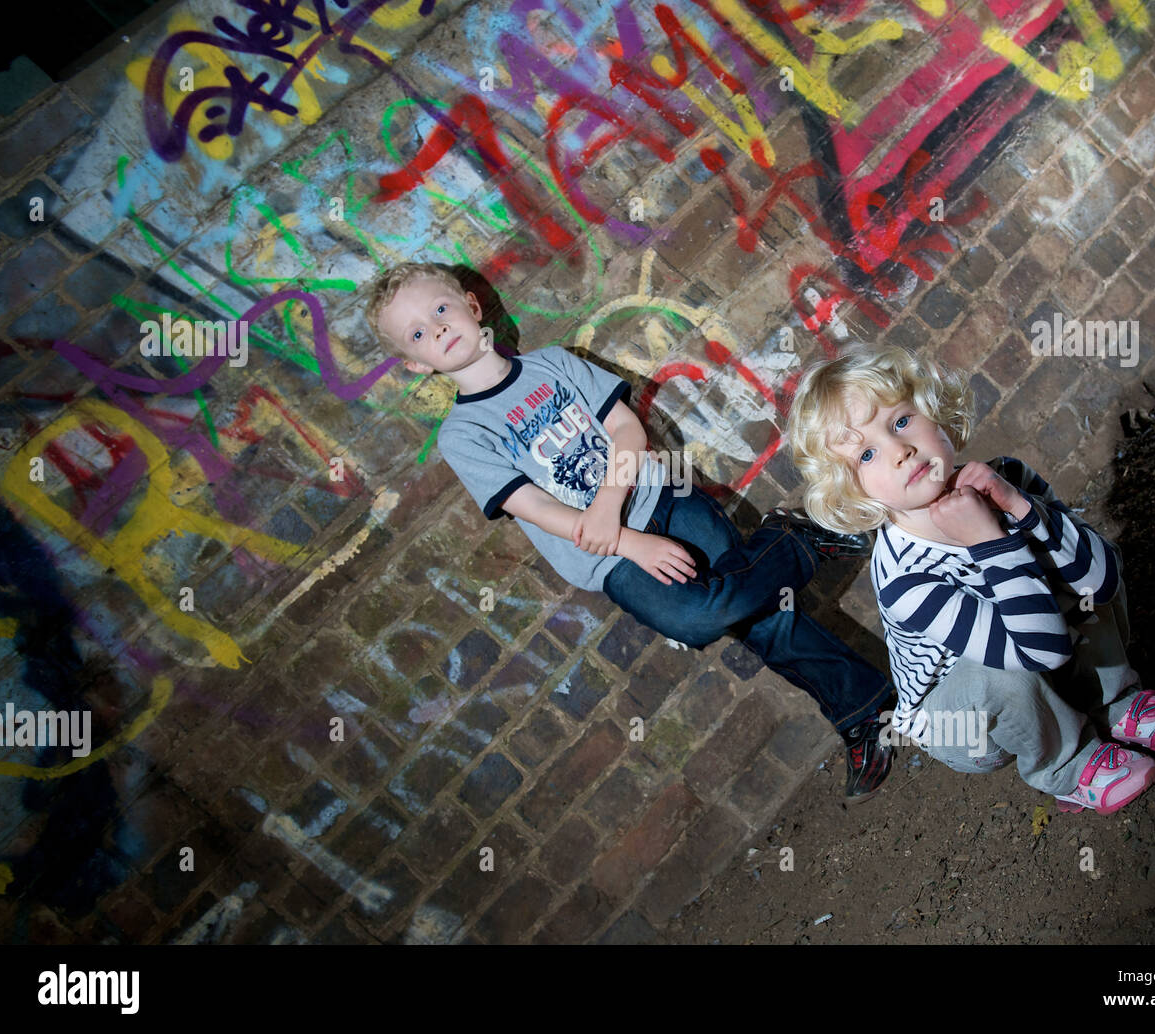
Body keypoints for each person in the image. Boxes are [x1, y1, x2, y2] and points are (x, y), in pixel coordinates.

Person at [364, 262, 897, 799]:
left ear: (472, 308)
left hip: (665, 498)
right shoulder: (464, 434)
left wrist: (608, 506)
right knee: (697, 618)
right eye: (417, 333)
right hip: (609, 559)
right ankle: (795, 541)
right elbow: (530, 506)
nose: (436, 328)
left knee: (765, 617)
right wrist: (623, 539)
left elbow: (625, 428)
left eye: (440, 309)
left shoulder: (552, 365)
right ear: (415, 364)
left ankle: (864, 711)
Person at [786, 345, 1155, 814]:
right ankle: (1065, 767)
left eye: (901, 422)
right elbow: (1034, 654)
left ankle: (1115, 703)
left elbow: (1100, 579)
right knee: (999, 675)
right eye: (867, 454)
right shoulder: (903, 579)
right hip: (962, 715)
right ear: (853, 490)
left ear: (933, 411)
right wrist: (990, 541)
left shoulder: (1007, 476)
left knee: (1071, 559)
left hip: (1036, 648)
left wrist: (1018, 507)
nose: (901, 451)